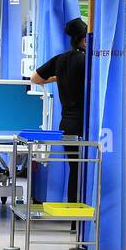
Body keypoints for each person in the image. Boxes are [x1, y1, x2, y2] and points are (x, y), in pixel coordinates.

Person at [31, 17, 89, 203]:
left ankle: (74, 219)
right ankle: (82, 216)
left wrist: (57, 79)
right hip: (84, 123)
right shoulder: (87, 61)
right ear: (83, 38)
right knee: (86, 169)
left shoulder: (60, 59)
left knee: (75, 169)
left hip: (67, 124)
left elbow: (35, 79)